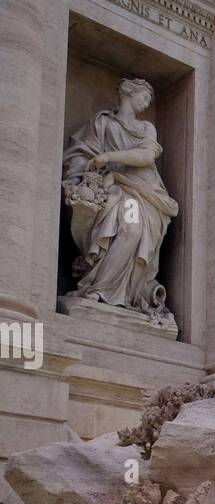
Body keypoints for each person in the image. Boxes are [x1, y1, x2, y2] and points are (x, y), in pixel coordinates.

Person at [61, 78, 178, 326]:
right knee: (118, 222)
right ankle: (99, 289)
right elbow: (81, 153)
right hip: (111, 187)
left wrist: (108, 156)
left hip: (143, 191)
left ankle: (110, 292)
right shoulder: (101, 123)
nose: (146, 103)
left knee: (133, 228)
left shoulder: (146, 128)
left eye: (149, 100)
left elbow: (146, 155)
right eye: (144, 97)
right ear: (128, 93)